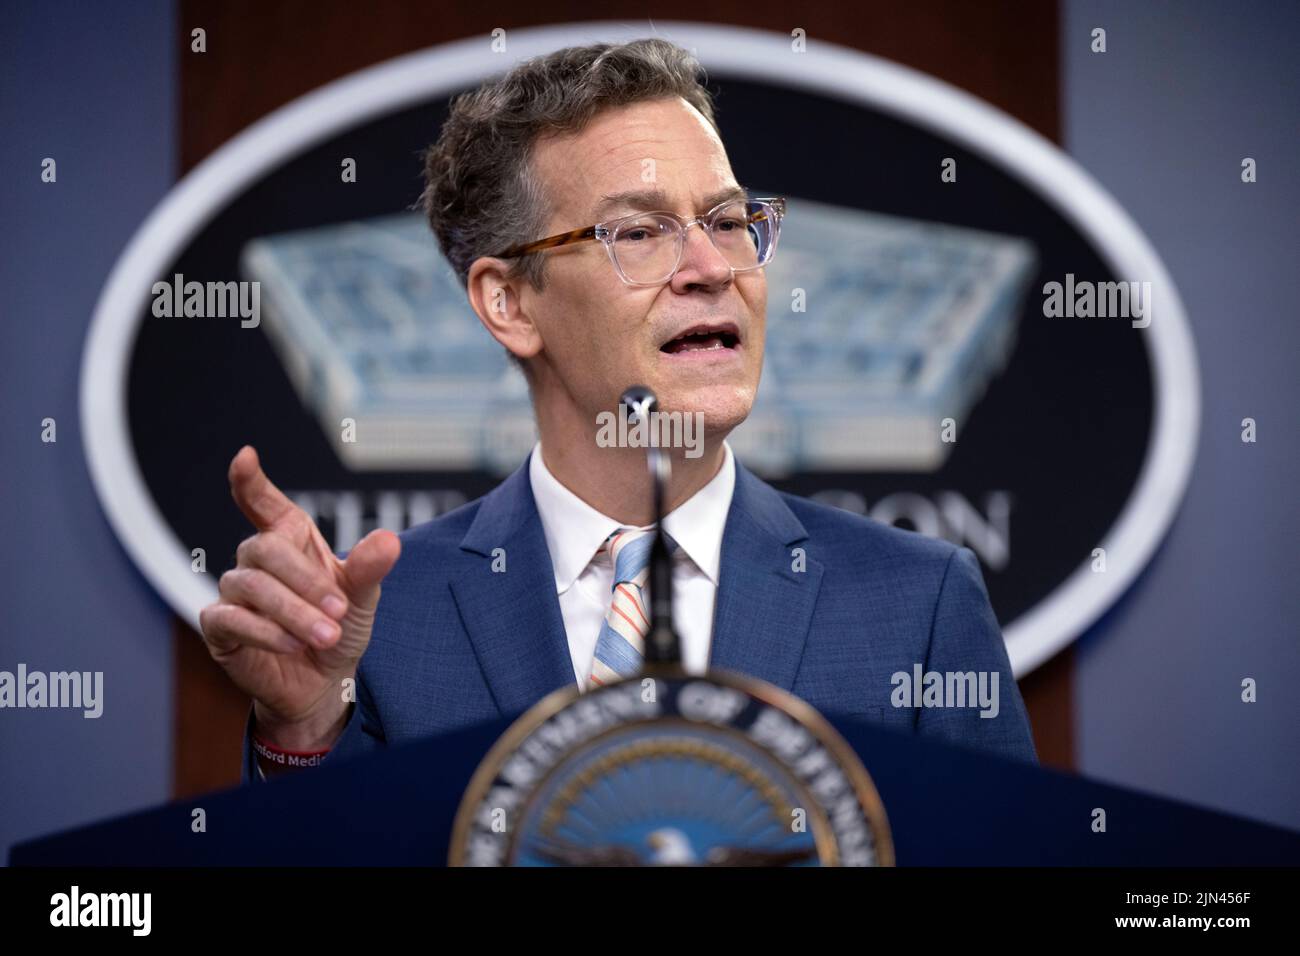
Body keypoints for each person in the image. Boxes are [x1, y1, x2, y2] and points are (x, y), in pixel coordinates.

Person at [198, 38, 1037, 782]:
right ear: (509, 305)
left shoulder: (915, 604)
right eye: (639, 233)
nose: (713, 267)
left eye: (730, 220)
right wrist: (304, 730)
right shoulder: (381, 621)